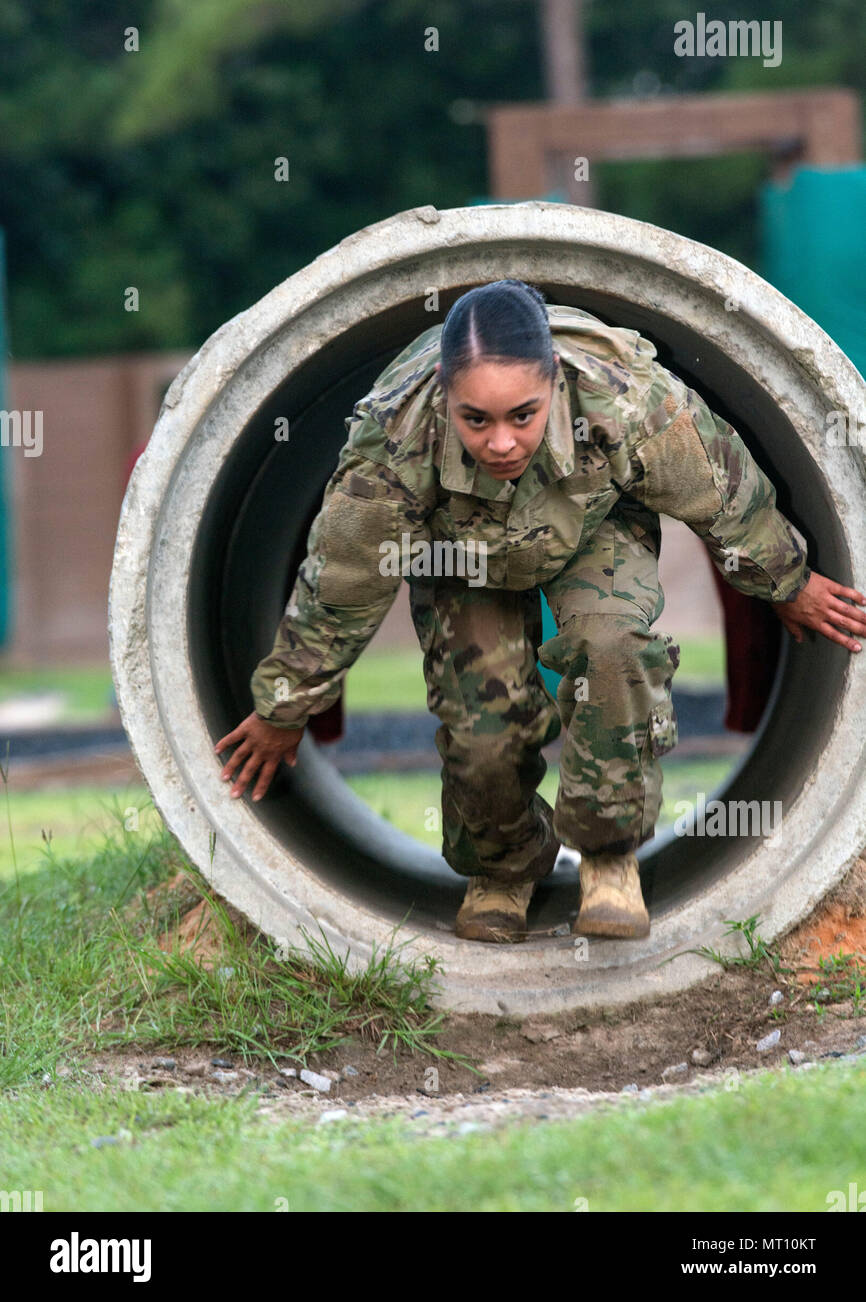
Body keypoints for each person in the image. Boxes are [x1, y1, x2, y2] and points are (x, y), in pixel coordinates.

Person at [214, 280, 866, 944]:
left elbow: (721, 488)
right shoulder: (396, 439)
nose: (501, 442)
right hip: (458, 552)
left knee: (612, 650)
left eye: (522, 415)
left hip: (593, 525)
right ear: (445, 392)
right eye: (476, 420)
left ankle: (609, 856)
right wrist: (285, 707)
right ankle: (504, 866)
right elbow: (343, 579)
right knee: (483, 728)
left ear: (554, 382)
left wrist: (786, 580)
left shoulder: (624, 397)